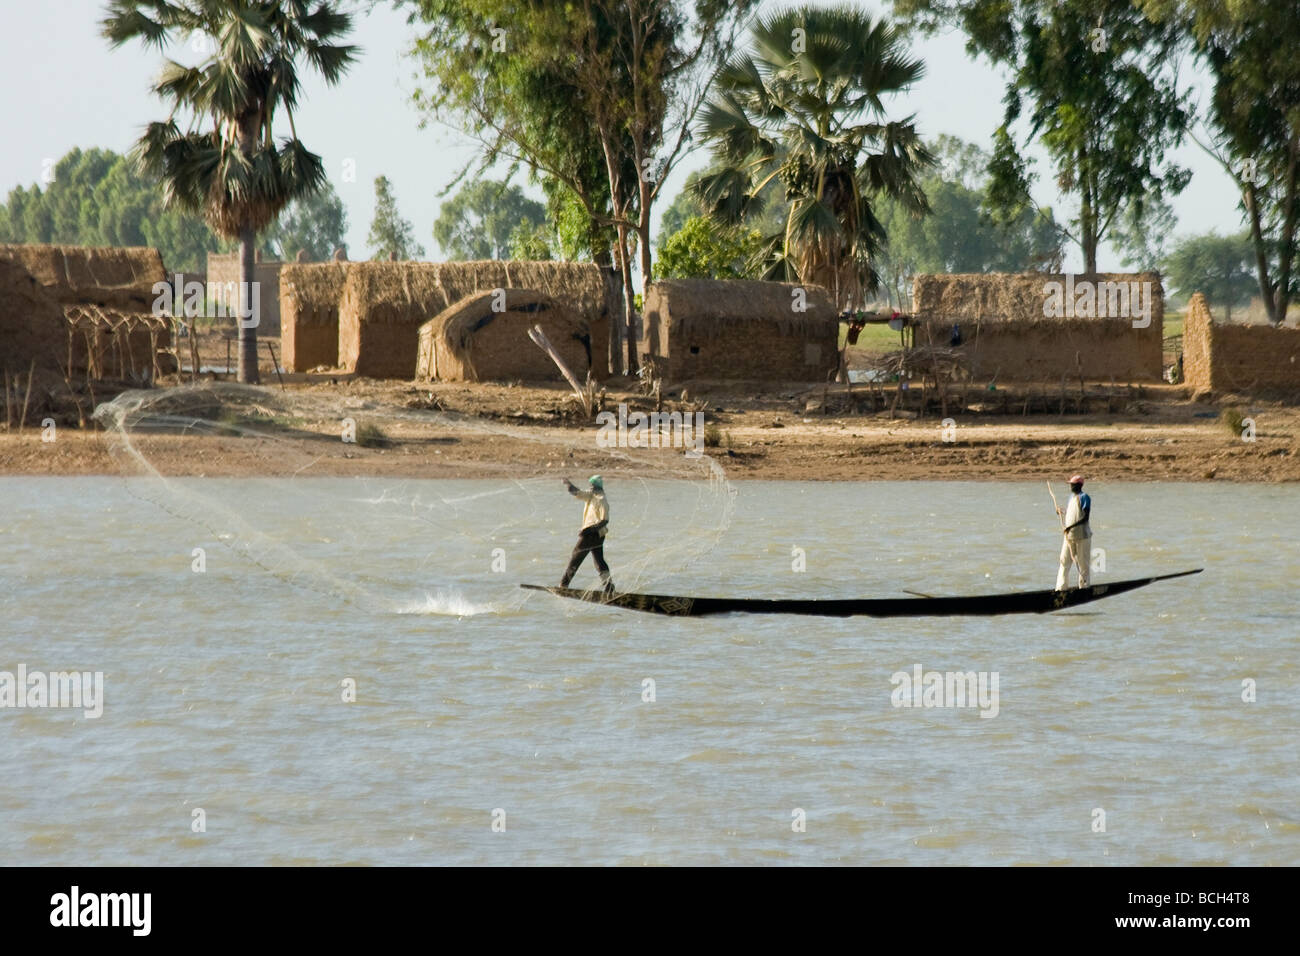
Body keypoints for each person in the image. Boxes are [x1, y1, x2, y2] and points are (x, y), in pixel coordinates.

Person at [560, 475, 615, 593]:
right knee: (599, 561)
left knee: (575, 557)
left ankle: (563, 585)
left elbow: (605, 520)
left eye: (591, 485)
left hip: (592, 534)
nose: (590, 487)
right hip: (597, 536)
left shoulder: (601, 499)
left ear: (596, 486)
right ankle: (609, 587)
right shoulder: (591, 495)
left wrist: (588, 530)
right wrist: (568, 483)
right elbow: (576, 492)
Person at [1055, 474, 1092, 590]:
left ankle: (1084, 586)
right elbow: (1073, 514)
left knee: (1082, 563)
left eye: (1072, 485)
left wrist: (1070, 527)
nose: (1070, 487)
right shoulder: (1071, 498)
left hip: (1082, 536)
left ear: (1078, 485)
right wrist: (1062, 512)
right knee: (1064, 561)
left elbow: (1085, 518)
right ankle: (1061, 588)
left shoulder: (1084, 497)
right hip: (1069, 536)